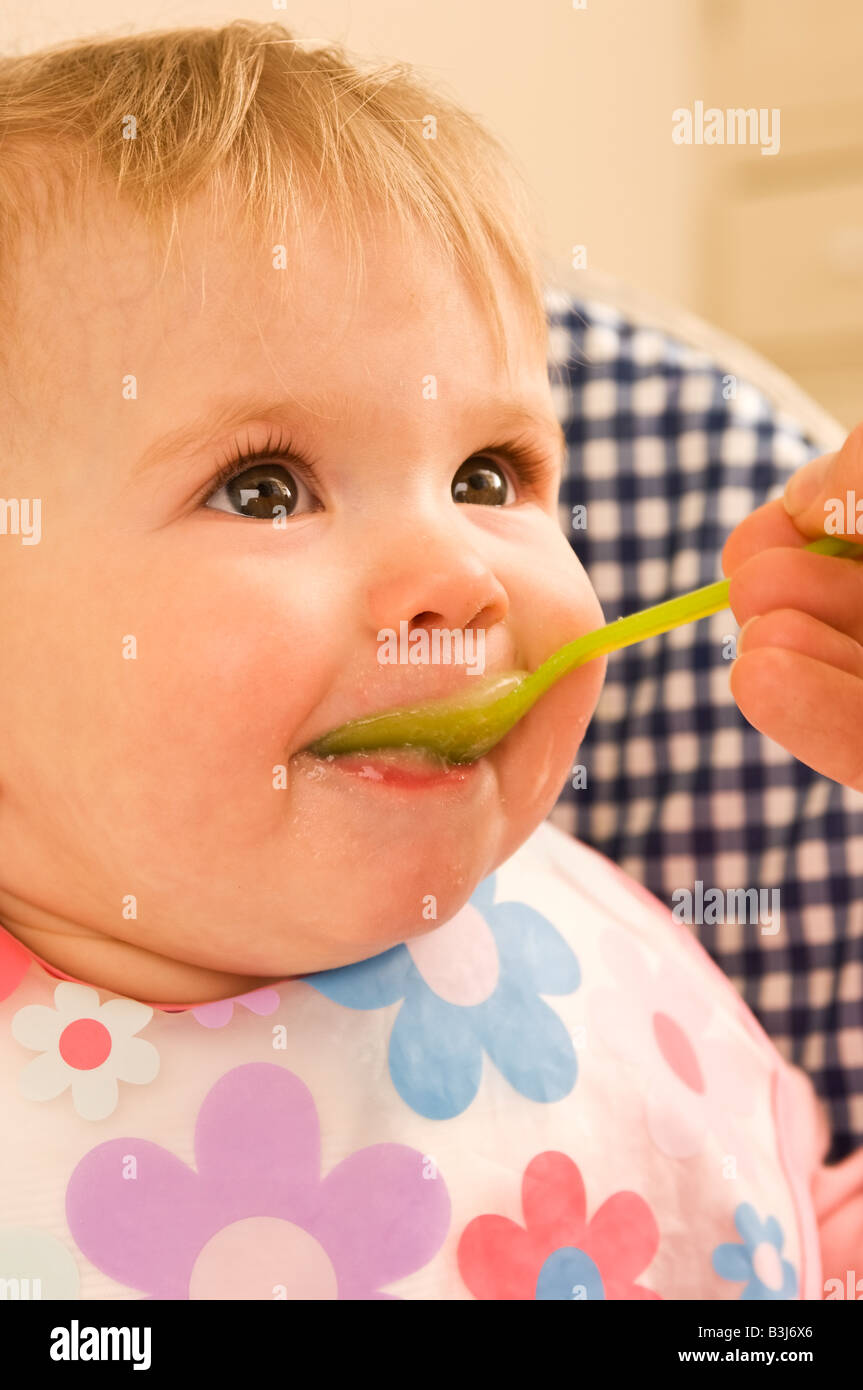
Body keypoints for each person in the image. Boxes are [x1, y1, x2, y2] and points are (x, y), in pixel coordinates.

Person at [0, 19, 859, 1301]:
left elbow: (802, 1227)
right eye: (264, 489)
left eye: (486, 475)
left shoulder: (606, 960)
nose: (459, 575)